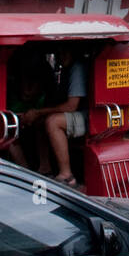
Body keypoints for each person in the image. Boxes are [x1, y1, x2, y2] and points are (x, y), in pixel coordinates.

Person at [42, 47, 89, 185]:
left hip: (88, 116)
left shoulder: (77, 67)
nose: (60, 57)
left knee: (53, 122)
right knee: (41, 121)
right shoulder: (66, 69)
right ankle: (45, 168)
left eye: (64, 52)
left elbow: (71, 105)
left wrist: (40, 111)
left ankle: (67, 175)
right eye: (59, 53)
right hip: (77, 114)